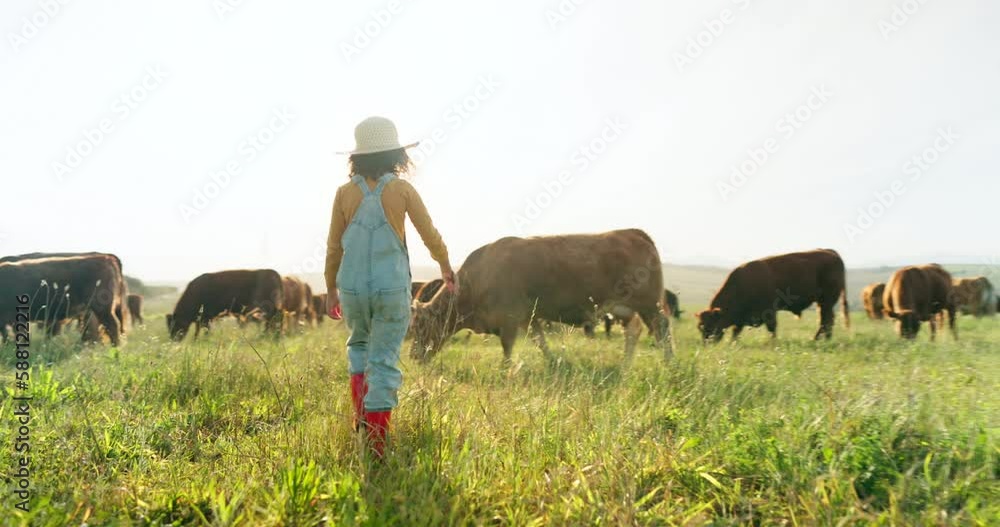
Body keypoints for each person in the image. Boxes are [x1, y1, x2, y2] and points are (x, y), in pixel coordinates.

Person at [325, 116, 457, 457]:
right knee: (383, 360)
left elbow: (334, 247)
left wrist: (330, 290)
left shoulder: (344, 193)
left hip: (352, 289)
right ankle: (377, 445)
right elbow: (429, 234)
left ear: (358, 156)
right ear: (396, 154)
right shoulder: (402, 190)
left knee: (359, 349)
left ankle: (362, 421)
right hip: (390, 288)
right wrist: (445, 267)